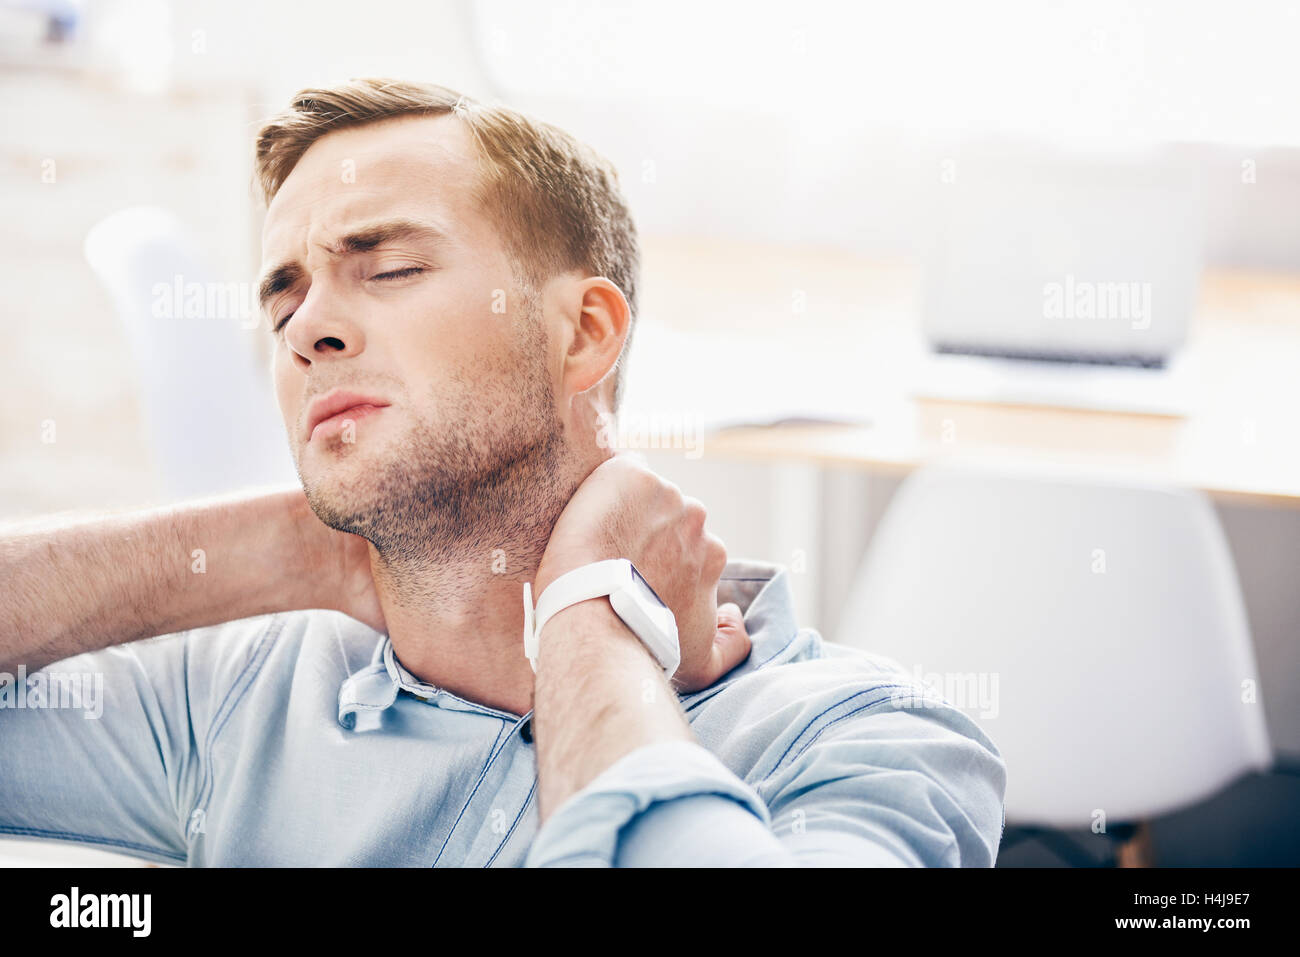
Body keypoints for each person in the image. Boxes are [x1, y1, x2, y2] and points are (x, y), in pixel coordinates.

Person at [0, 79, 1005, 866]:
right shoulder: (244, 696)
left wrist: (589, 625)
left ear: (582, 333)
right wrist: (283, 545)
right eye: (282, 300)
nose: (307, 328)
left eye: (388, 268)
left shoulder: (861, 744)